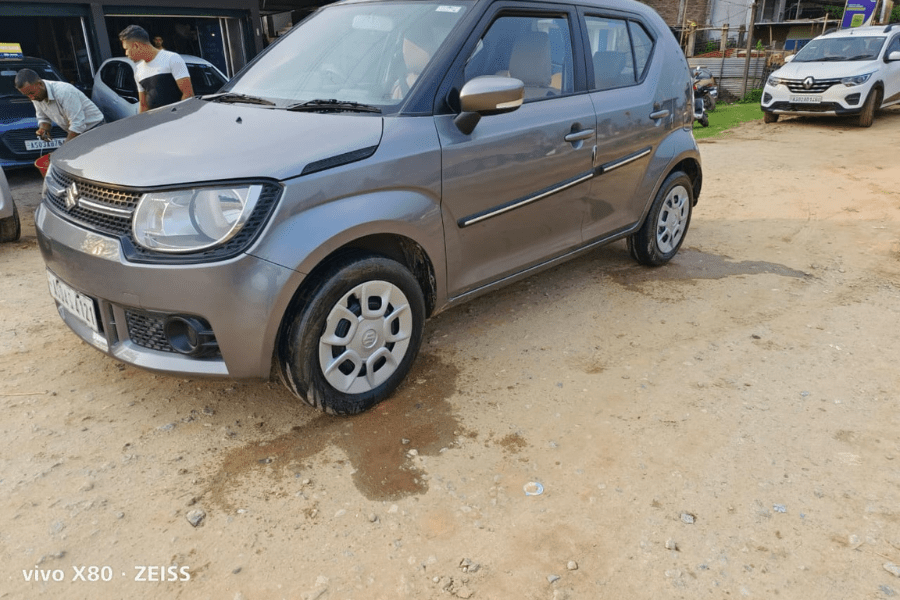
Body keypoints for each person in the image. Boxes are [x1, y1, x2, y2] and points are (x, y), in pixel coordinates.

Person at [118, 25, 194, 113]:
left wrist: (176, 118)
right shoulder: (138, 70)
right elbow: (143, 105)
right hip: (156, 124)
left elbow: (188, 94)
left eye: (126, 49)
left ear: (136, 45)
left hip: (177, 122)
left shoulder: (172, 58)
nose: (126, 53)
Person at [14, 69, 104, 142]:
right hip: (79, 132)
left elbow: (78, 124)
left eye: (31, 93)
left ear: (40, 84)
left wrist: (64, 150)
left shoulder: (64, 91)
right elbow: (43, 118)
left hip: (96, 128)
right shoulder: (36, 95)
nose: (31, 98)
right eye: (27, 95)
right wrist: (44, 130)